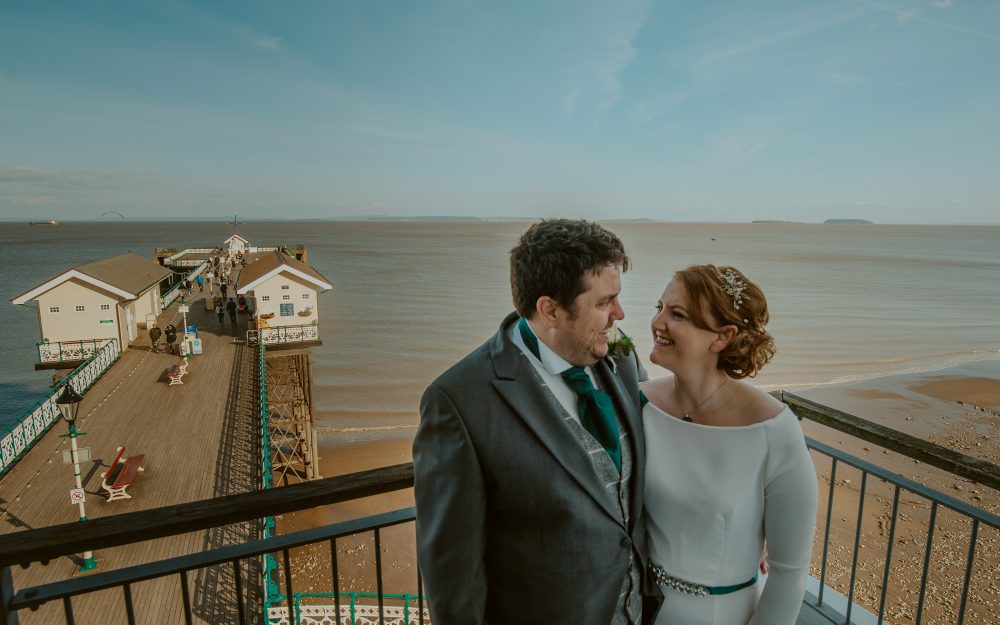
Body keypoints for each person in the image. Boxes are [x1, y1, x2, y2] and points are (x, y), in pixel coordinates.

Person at [414, 219, 662, 625]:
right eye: (603, 303)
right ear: (549, 309)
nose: (619, 313)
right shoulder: (459, 401)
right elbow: (453, 579)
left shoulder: (620, 358)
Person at [640, 265, 818, 625]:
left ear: (722, 336)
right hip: (636, 607)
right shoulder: (638, 405)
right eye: (659, 307)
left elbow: (788, 572)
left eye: (677, 314)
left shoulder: (773, 431)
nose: (657, 322)